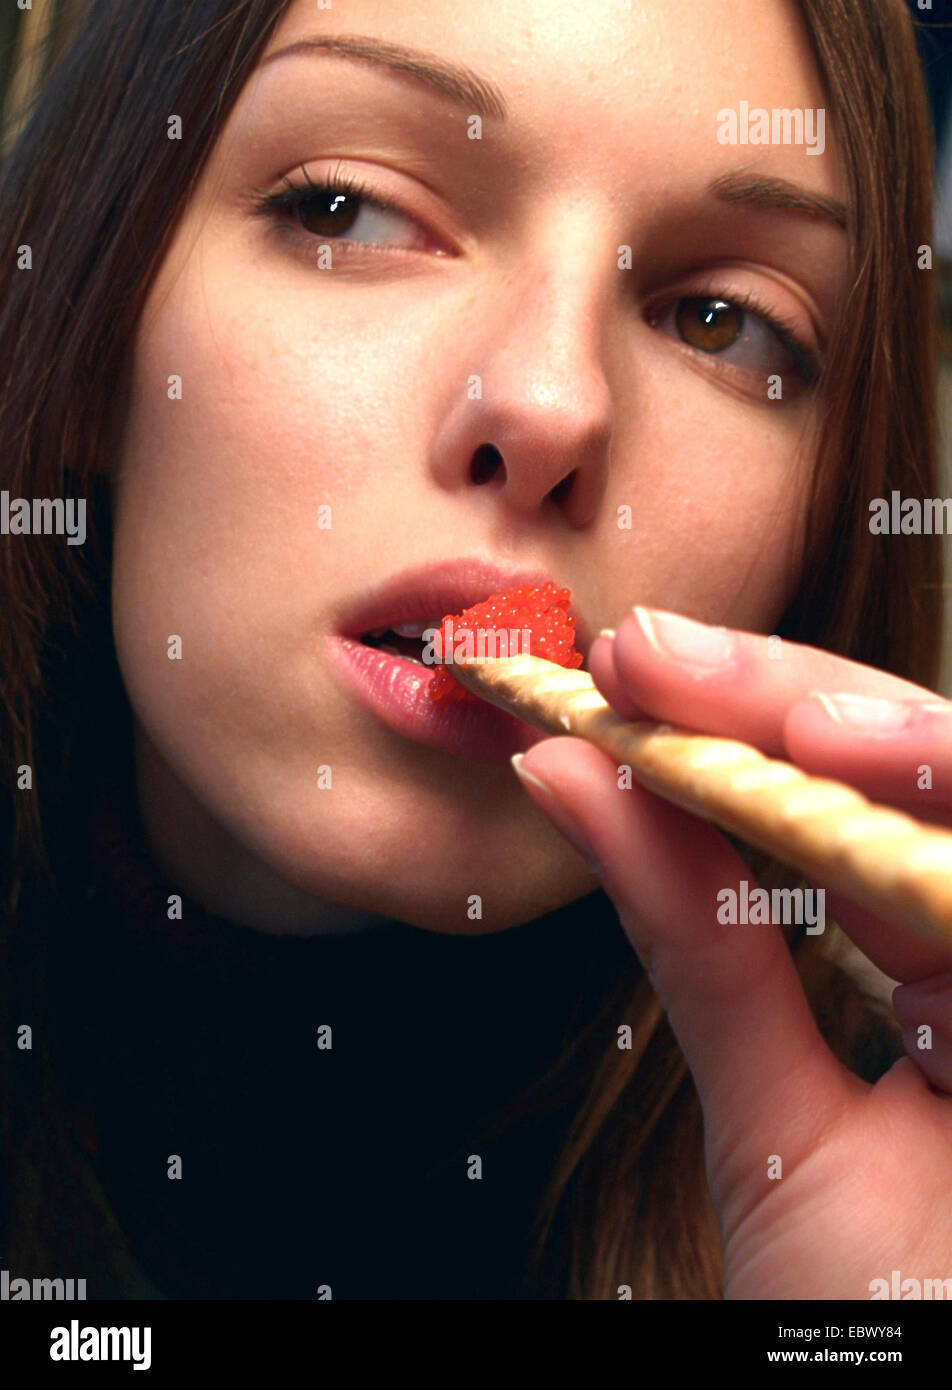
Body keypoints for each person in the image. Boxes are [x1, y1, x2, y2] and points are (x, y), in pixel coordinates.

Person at [0, 0, 948, 1300]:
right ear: (97, 319)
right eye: (348, 209)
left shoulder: (874, 1177)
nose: (555, 404)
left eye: (721, 322)